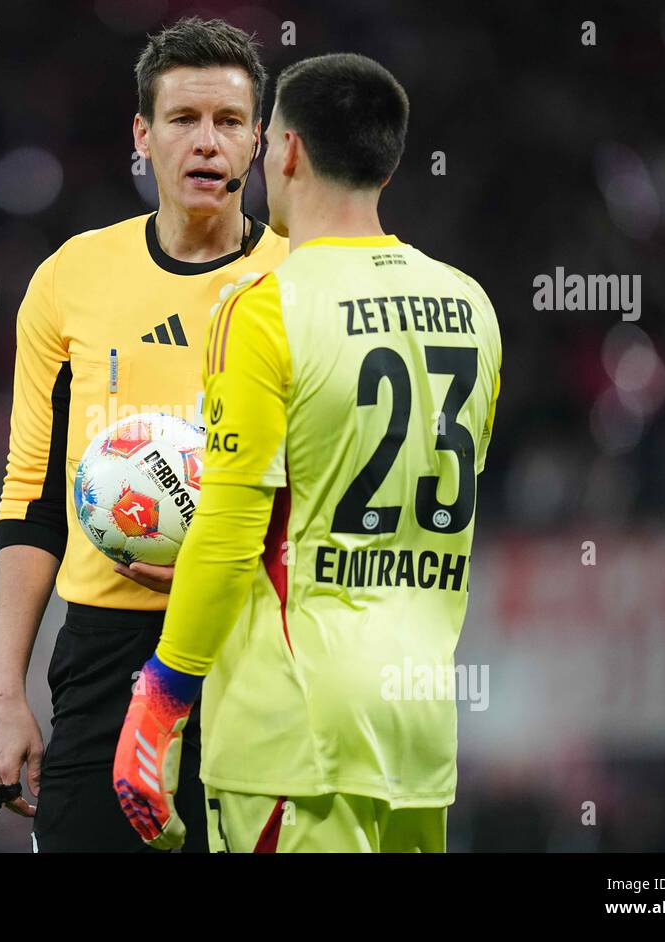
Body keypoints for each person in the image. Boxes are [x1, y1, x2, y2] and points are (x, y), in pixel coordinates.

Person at [112, 52, 503, 852]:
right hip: (416, 726)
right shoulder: (471, 304)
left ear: (284, 151)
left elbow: (228, 528)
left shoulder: (262, 310)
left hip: (295, 734)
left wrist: (160, 699)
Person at [0, 16, 290, 852]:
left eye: (229, 123)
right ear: (142, 135)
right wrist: (6, 693)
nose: (206, 143)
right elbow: (33, 496)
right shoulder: (70, 279)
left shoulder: (298, 284)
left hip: (253, 646)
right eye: (184, 120)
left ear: (259, 142)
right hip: (105, 656)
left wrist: (229, 554)